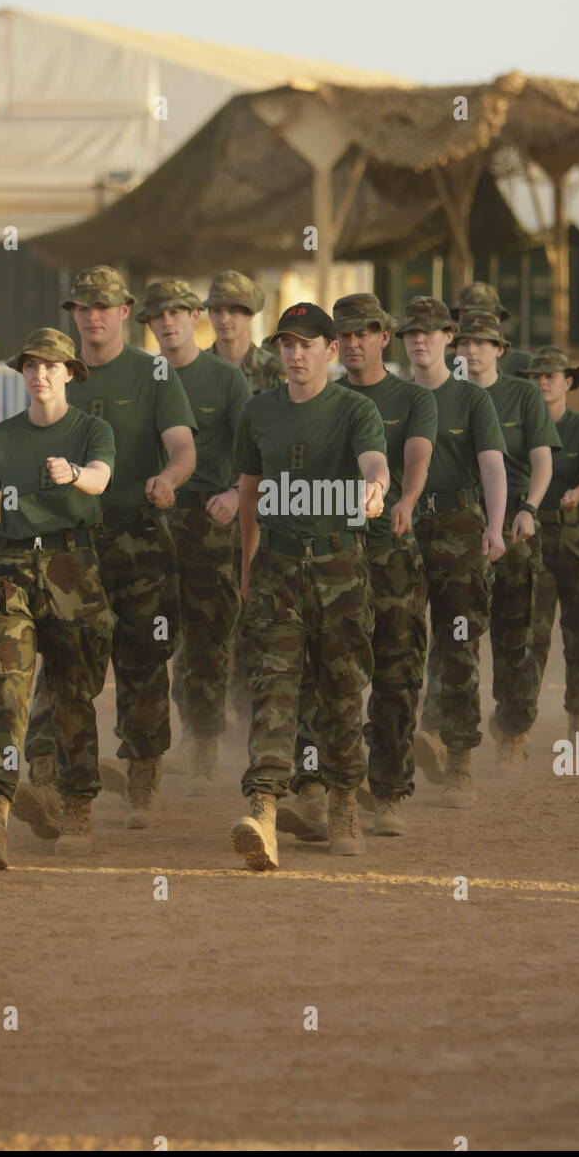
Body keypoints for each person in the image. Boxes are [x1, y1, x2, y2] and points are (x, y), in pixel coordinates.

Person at [21, 266, 197, 833]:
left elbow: (182, 446)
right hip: (71, 544)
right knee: (62, 657)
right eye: (82, 307)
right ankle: (44, 776)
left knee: (143, 659)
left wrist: (169, 478)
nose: (92, 316)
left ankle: (143, 775)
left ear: (125, 311)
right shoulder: (55, 375)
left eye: (104, 306)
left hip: (137, 536)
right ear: (71, 314)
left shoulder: (155, 372)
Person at [230, 302, 389, 871]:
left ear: (330, 350)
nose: (295, 355)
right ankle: (265, 809)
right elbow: (249, 490)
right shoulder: (258, 412)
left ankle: (345, 802)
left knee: (342, 691)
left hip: (338, 570)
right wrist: (248, 564)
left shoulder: (354, 409)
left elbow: (374, 460)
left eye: (307, 344)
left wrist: (375, 486)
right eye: (286, 344)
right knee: (272, 688)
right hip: (276, 568)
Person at [278, 293, 436, 841]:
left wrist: (405, 501)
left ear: (383, 337)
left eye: (363, 333)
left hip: (388, 550)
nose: (351, 344)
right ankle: (314, 786)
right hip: (327, 554)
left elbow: (414, 455)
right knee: (319, 672)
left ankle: (388, 791)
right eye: (342, 336)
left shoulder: (411, 398)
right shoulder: (321, 396)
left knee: (396, 669)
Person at [0, 328, 116, 868]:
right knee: (4, 689)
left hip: (72, 568)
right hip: (7, 569)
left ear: (71, 372)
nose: (40, 374)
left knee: (73, 695)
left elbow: (100, 478)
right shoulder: (0, 437)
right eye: (31, 365)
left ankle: (75, 805)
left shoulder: (92, 430)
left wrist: (73, 474)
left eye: (51, 365)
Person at [142, 278, 251, 794]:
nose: (167, 323)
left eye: (177, 314)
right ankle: (148, 752)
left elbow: (254, 452)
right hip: (149, 525)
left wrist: (234, 492)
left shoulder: (226, 380)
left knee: (208, 637)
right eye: (158, 317)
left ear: (193, 317)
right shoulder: (143, 377)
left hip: (209, 525)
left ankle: (204, 745)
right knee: (148, 637)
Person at [400, 298, 508, 806]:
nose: (419, 340)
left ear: (448, 337)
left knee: (459, 643)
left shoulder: (470, 399)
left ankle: (461, 760)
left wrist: (497, 526)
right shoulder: (391, 397)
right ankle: (399, 757)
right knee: (399, 642)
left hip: (461, 527)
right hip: (401, 528)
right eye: (410, 333)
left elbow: (491, 466)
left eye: (430, 332)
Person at [453, 311, 561, 774]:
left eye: (482, 343)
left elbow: (542, 462)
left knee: (514, 634)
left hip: (516, 518)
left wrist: (531, 508)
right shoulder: (445, 395)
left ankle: (513, 731)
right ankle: (447, 733)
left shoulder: (521, 395)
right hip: (460, 519)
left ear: (500, 349)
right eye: (464, 343)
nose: (471, 350)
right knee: (454, 630)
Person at [204, 269, 284, 726]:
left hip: (263, 514)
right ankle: (207, 731)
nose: (226, 319)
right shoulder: (194, 371)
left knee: (256, 623)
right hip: (207, 518)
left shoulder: (275, 370)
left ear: (250, 314)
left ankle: (250, 721)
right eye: (217, 309)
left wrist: (243, 492)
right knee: (206, 626)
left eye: (235, 310)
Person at [521, 347, 579, 741]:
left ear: (568, 382)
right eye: (536, 377)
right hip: (533, 537)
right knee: (529, 636)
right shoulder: (518, 427)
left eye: (551, 376)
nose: (543, 383)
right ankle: (518, 726)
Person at [448, 282, 531, 377]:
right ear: (458, 318)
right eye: (468, 314)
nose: (475, 320)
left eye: (484, 314)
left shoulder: (524, 365)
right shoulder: (444, 366)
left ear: (498, 318)